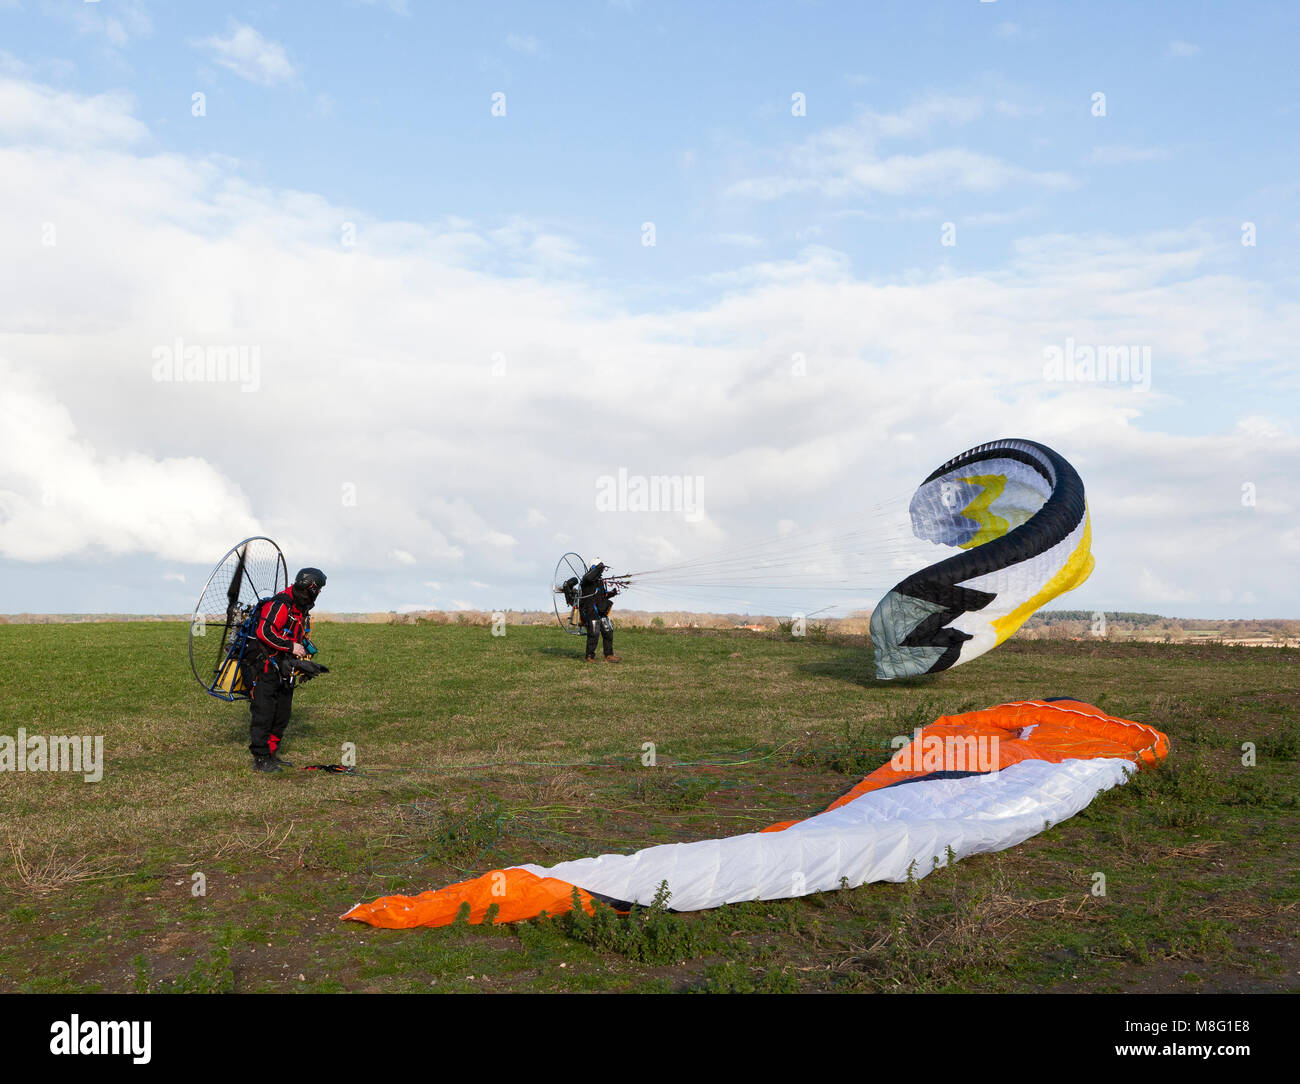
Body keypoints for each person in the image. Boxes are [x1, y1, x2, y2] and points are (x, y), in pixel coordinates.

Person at [247, 567, 326, 772]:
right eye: (319, 589)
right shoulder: (281, 604)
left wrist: (304, 656)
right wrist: (291, 647)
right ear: (311, 587)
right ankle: (261, 758)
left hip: (285, 668)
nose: (319, 594)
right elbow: (264, 632)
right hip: (266, 667)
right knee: (264, 713)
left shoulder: (300, 607)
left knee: (282, 713)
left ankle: (272, 754)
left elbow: (296, 634)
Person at [578, 558, 620, 663]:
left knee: (608, 631)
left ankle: (609, 655)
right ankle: (589, 656)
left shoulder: (600, 581)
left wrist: (611, 593)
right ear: (594, 568)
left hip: (601, 610)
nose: (601, 570)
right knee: (594, 632)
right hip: (590, 610)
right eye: (599, 568)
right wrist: (598, 567)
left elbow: (601, 596)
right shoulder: (586, 580)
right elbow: (588, 577)